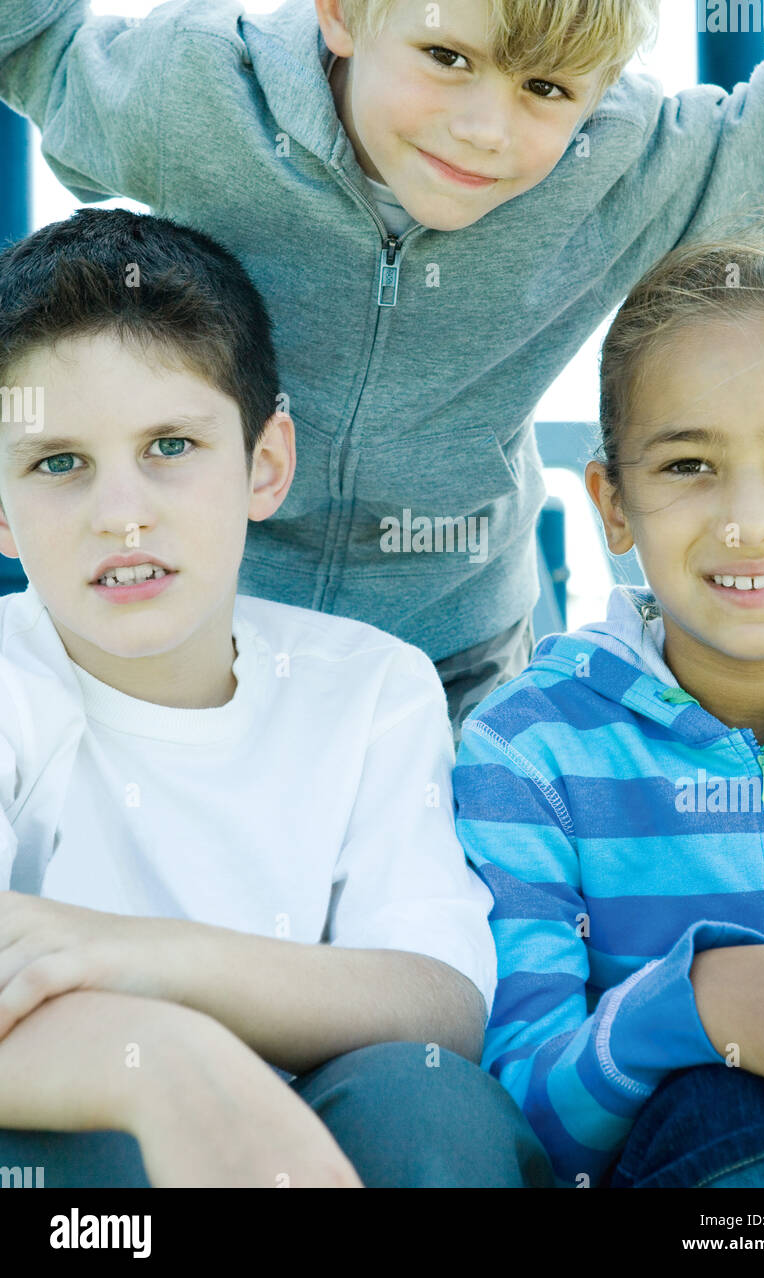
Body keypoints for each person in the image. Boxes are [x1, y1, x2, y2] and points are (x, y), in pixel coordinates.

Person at [3, 0, 764, 747]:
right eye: (446, 56)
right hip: (192, 632)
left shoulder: (622, 164)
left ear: (600, 86)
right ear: (341, 3)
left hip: (448, 656)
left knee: (450, 877)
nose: (484, 129)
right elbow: (45, 41)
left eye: (545, 86)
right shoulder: (201, 95)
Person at [0, 207, 554, 1189]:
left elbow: (438, 1001)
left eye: (171, 445)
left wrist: (137, 958)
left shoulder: (372, 685)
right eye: (58, 462)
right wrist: (173, 1065)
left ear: (266, 462)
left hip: (319, 1138)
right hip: (88, 1136)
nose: (121, 512)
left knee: (429, 1107)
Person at [452, 230, 764, 1189]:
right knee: (728, 1104)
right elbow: (522, 1120)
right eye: (687, 467)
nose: (747, 521)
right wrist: (696, 1007)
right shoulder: (528, 752)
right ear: (613, 504)